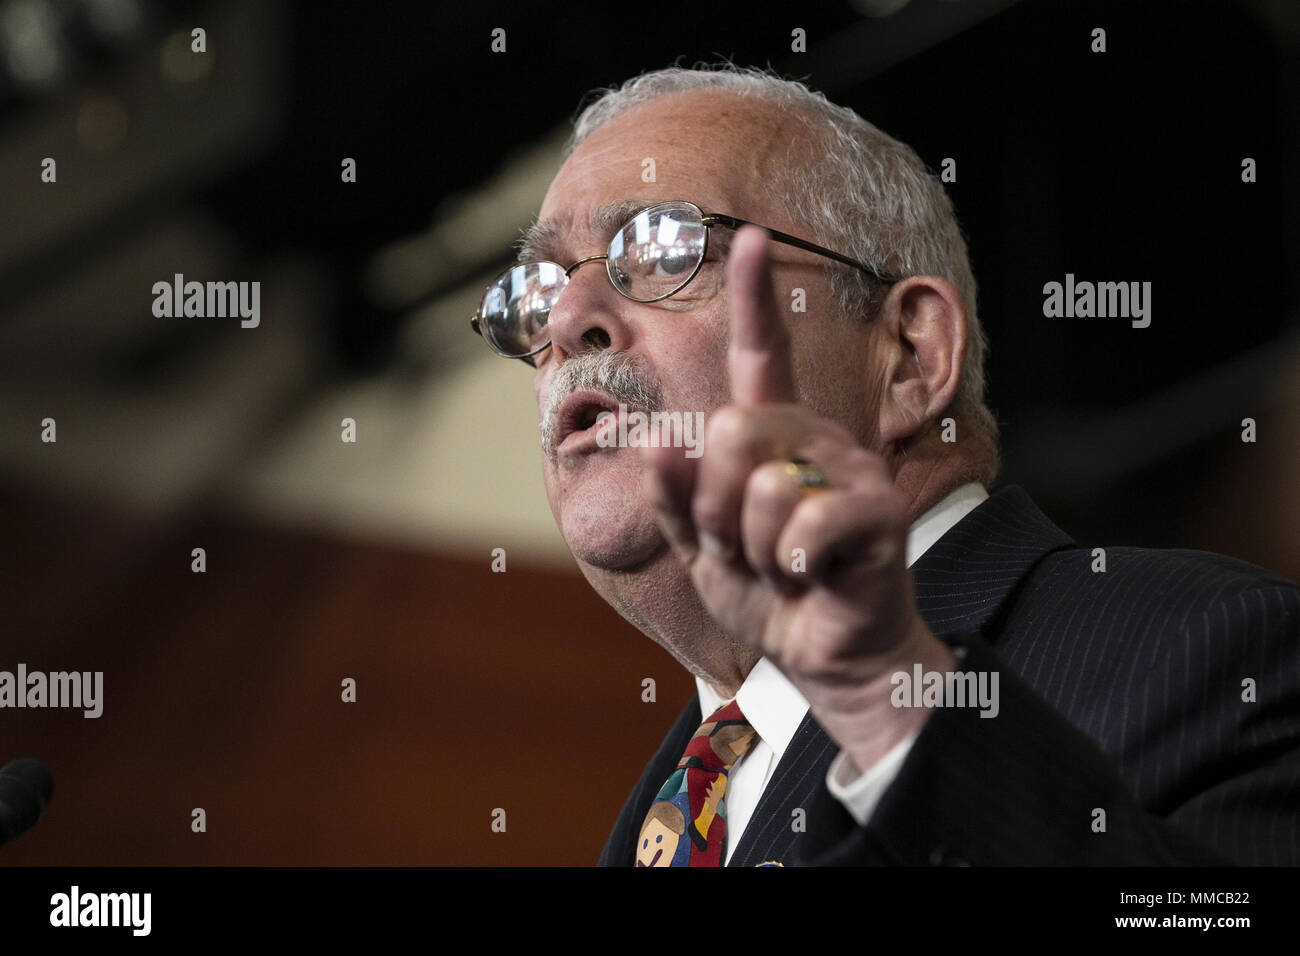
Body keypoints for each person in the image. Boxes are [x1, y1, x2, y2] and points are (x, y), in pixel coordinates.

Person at [469, 64, 1300, 866]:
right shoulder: (667, 819)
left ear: (908, 355)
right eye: (537, 289)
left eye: (660, 247)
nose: (570, 317)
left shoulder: (1213, 649)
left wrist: (889, 701)